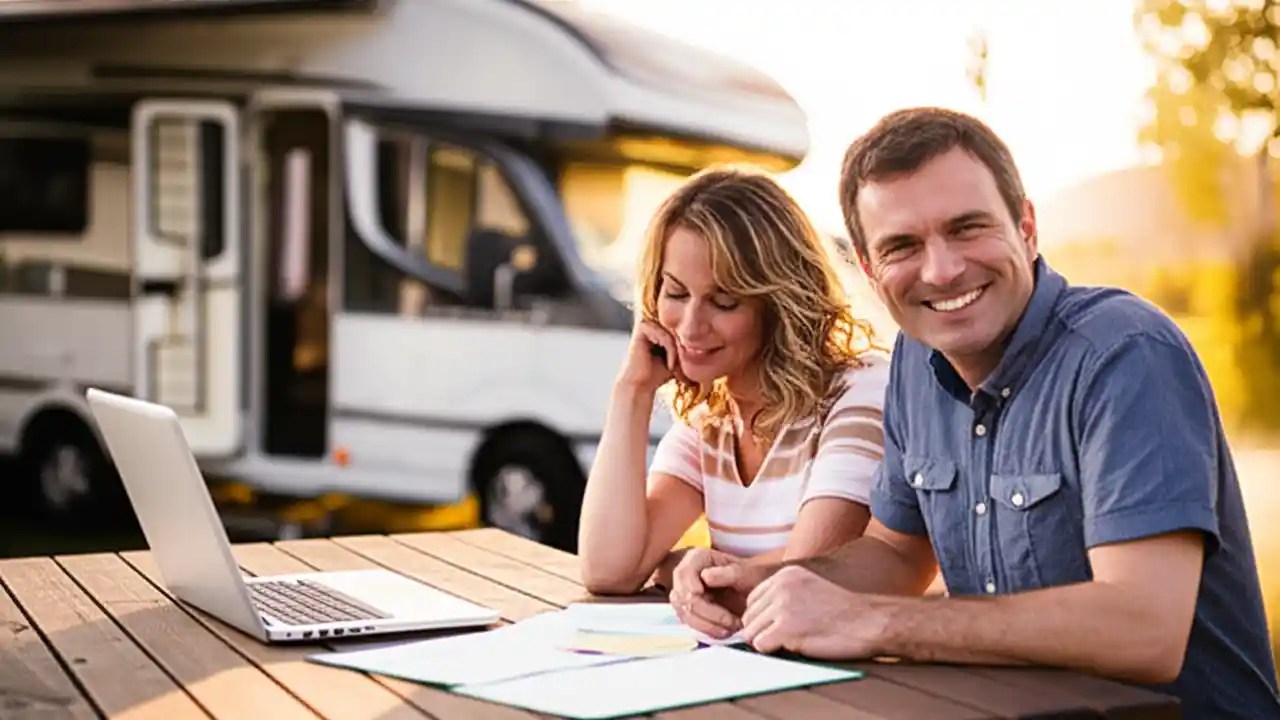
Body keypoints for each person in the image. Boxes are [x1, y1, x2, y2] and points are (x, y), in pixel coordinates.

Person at [673, 108, 1280, 718]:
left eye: (967, 228)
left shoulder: (1125, 357)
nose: (941, 269)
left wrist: (871, 621)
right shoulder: (915, 360)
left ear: (1027, 227)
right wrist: (760, 584)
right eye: (902, 246)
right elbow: (894, 553)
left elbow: (1145, 631)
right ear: (867, 268)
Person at [577, 166, 889, 599]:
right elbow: (609, 570)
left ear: (778, 304)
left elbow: (807, 577)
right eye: (676, 293)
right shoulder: (712, 422)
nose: (690, 326)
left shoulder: (859, 391)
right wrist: (632, 392)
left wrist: (679, 567)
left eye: (724, 302)